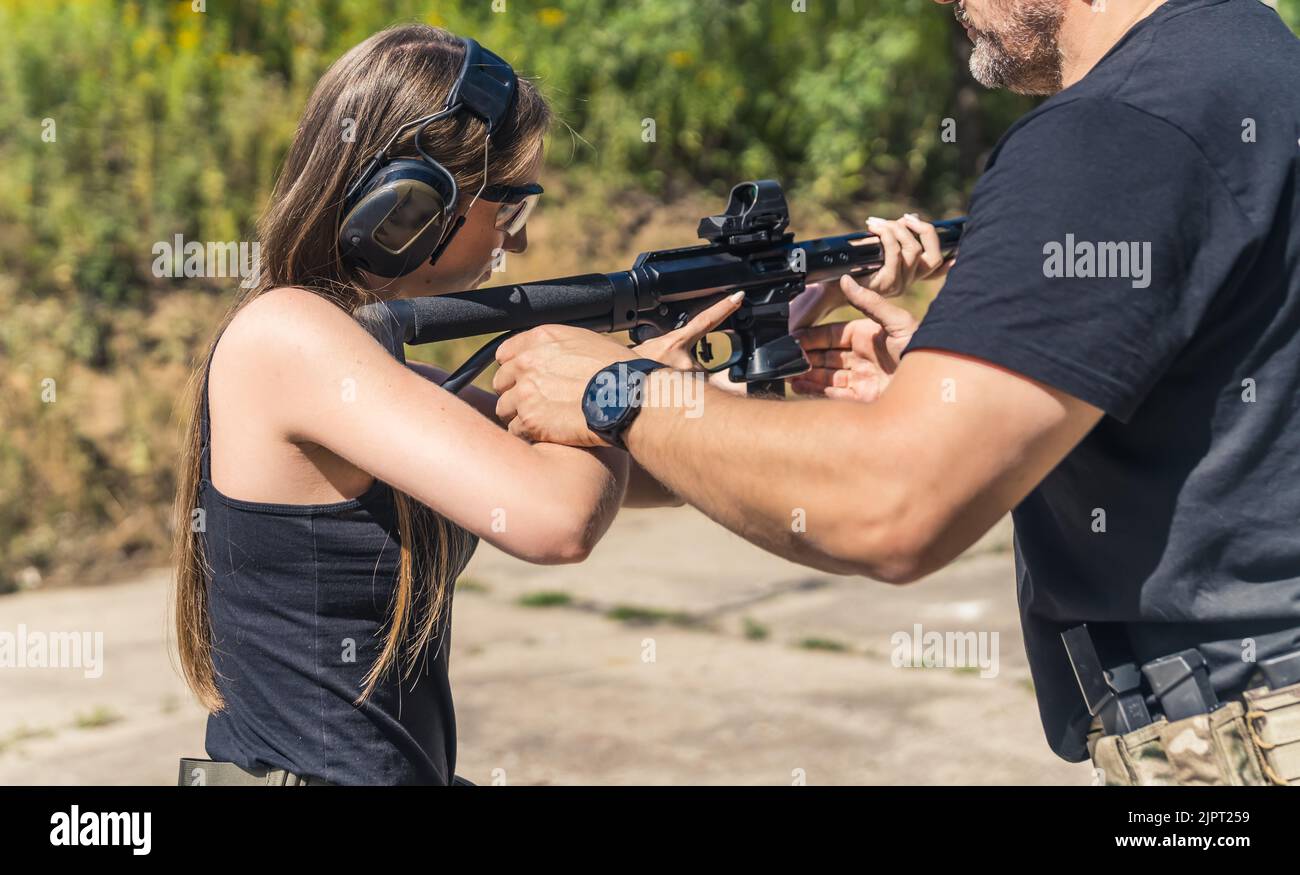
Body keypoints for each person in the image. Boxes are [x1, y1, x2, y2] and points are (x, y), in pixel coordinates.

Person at [492, 0, 1300, 785]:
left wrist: (621, 390)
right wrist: (961, 396)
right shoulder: (1258, 66)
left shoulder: (1109, 130)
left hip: (1245, 738)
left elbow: (889, 508)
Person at [169, 23, 740, 787]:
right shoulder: (288, 336)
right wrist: (619, 384)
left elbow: (657, 472)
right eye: (512, 209)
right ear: (410, 205)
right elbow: (559, 519)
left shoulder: (366, 366)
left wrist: (783, 363)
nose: (519, 244)